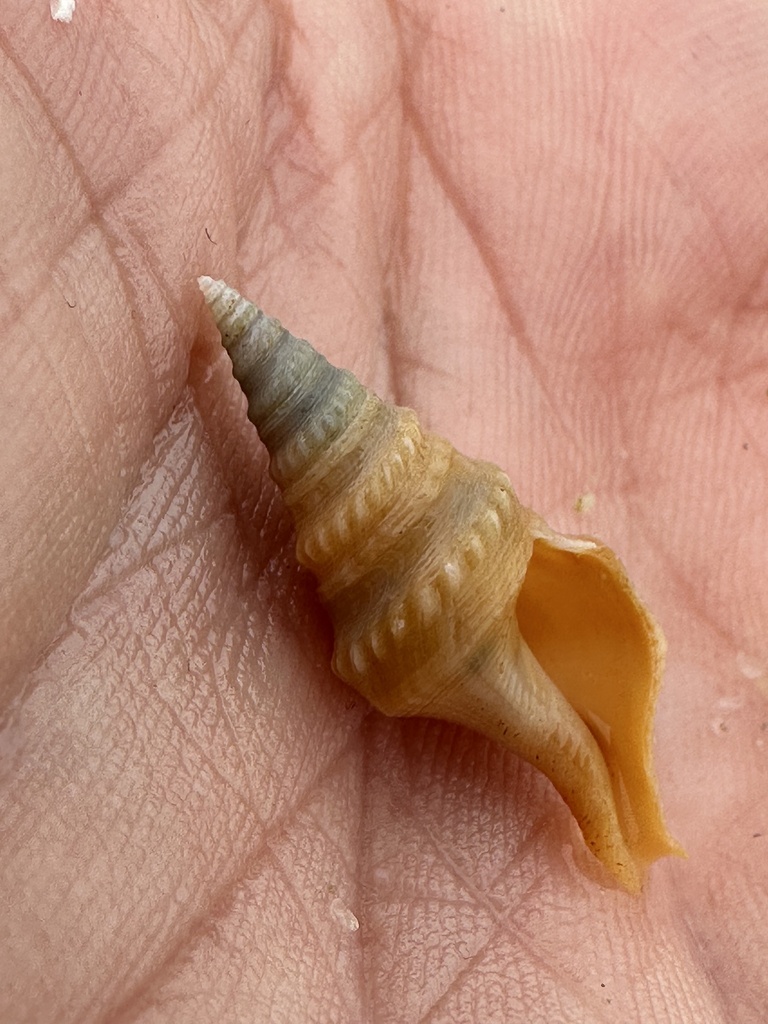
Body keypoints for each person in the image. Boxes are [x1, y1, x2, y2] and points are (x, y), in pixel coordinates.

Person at [1, 2, 766, 1020]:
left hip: (430, 547)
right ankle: (617, 819)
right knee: (580, 760)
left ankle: (616, 815)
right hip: (420, 545)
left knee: (585, 759)